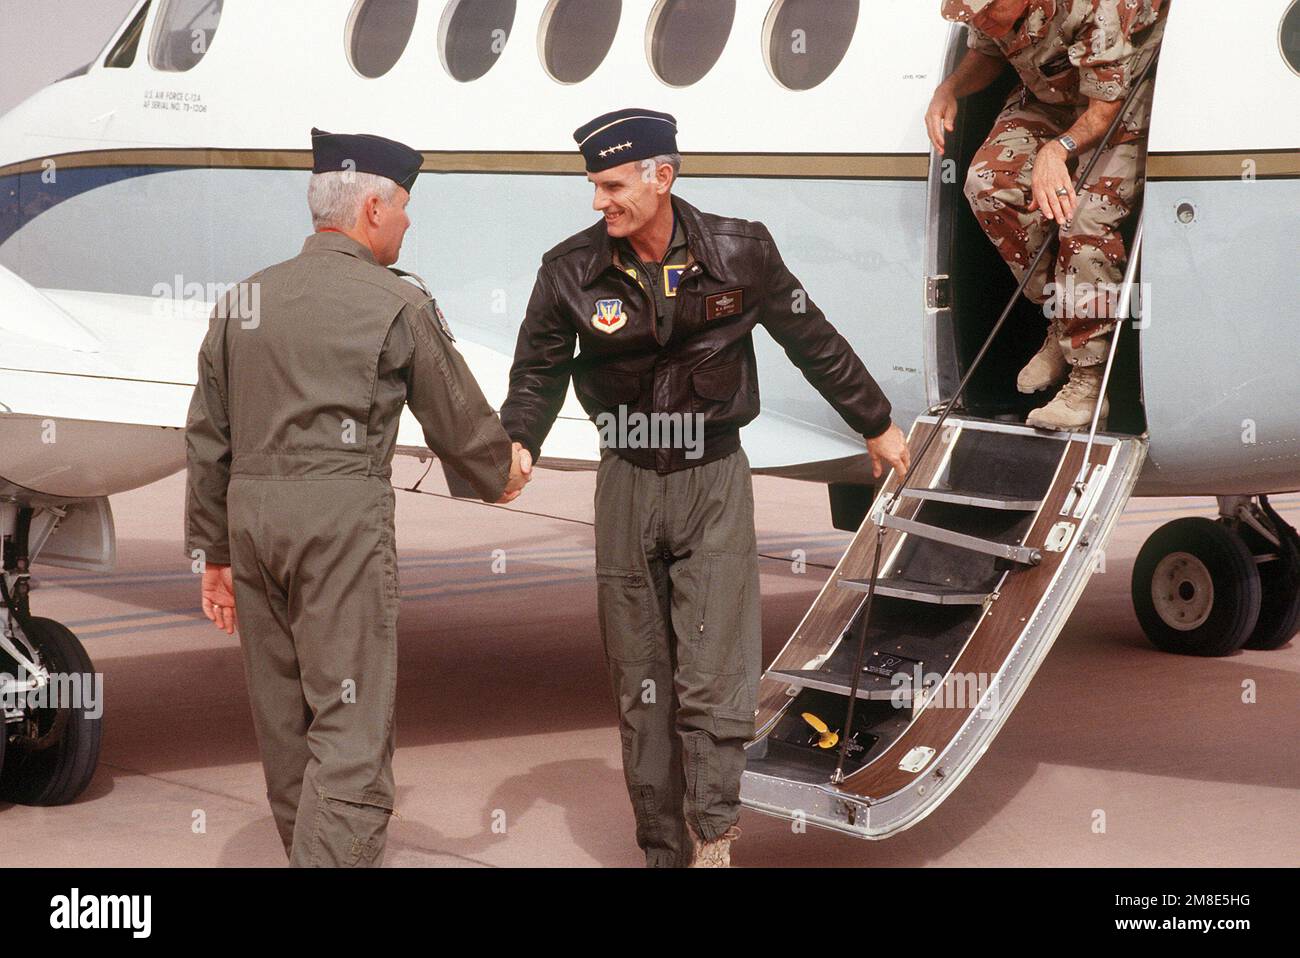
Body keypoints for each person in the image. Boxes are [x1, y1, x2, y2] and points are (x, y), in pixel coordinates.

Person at [499, 108, 910, 867]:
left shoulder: (739, 251)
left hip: (713, 476)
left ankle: (713, 839)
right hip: (624, 480)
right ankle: (663, 851)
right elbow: (537, 371)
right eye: (594, 186)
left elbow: (809, 337)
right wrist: (519, 441)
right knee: (641, 683)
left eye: (613, 185)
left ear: (663, 176)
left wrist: (876, 422)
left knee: (716, 675)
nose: (600, 202)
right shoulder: (568, 270)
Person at [185, 127, 529, 866]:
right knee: (350, 733)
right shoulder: (394, 304)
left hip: (250, 523)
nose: (408, 221)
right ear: (372, 207)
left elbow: (208, 435)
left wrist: (213, 553)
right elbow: (463, 429)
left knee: (287, 731)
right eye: (404, 206)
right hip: (338, 522)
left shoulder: (243, 299)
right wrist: (504, 471)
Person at [928, 0, 1168, 429]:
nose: (978, 21)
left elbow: (1104, 108)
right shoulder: (991, 12)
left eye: (986, 11)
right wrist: (948, 89)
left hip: (1118, 94)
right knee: (989, 184)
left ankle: (1087, 386)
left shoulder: (1094, 8)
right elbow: (986, 52)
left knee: (1085, 217)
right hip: (1055, 93)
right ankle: (1064, 321)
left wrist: (1057, 151)